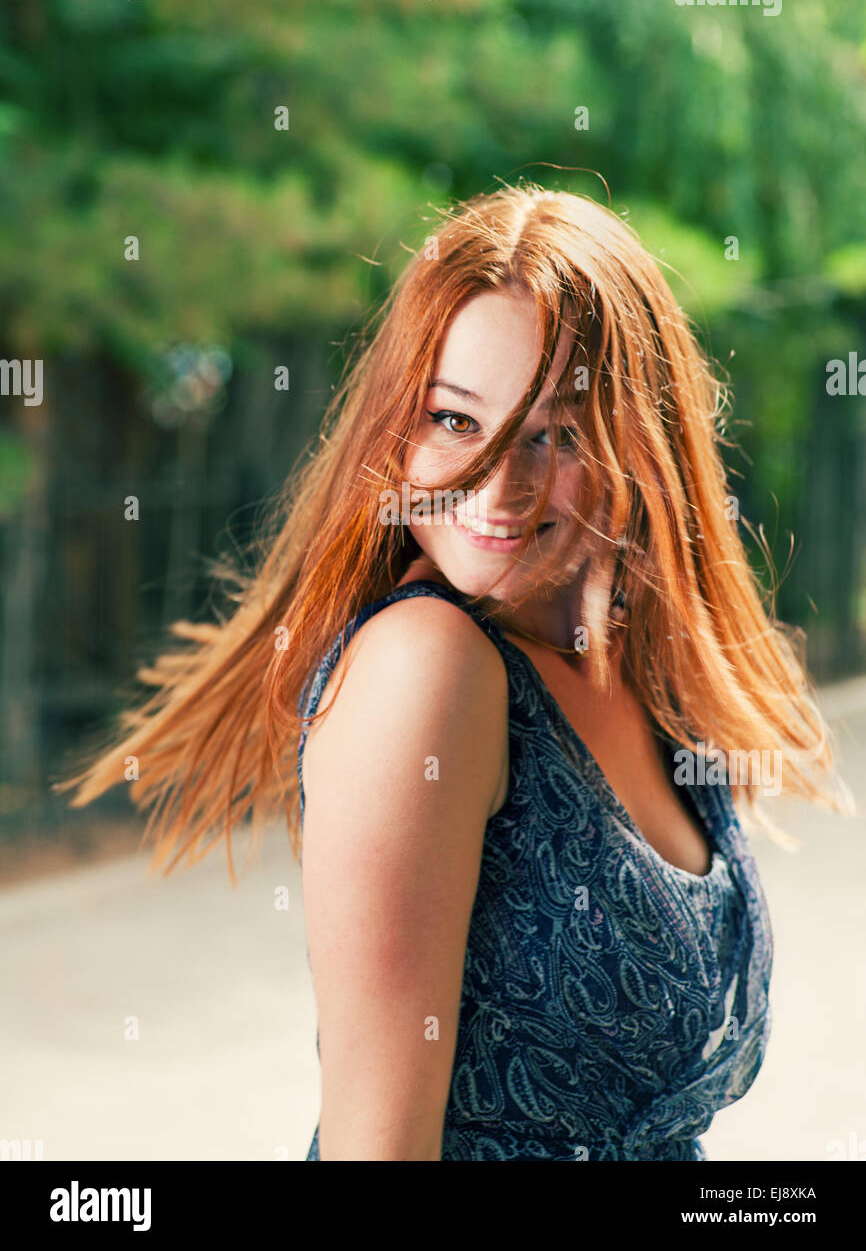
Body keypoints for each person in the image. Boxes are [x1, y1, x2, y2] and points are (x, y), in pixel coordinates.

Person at [57, 183, 851, 1161]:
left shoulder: (633, 671)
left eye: (554, 435)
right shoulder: (426, 670)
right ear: (396, 428)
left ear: (637, 446)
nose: (497, 486)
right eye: (453, 420)